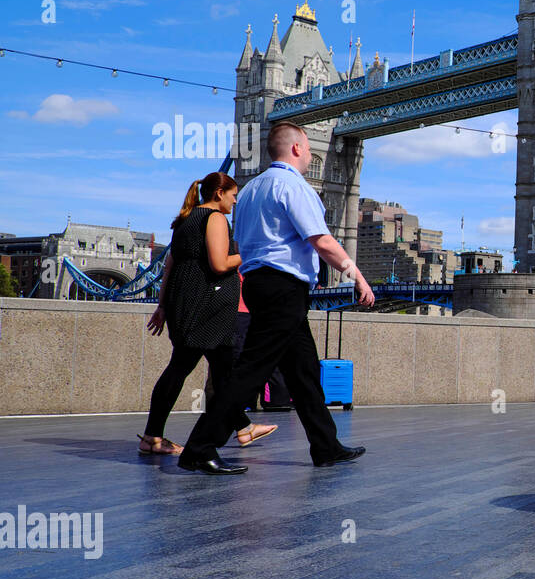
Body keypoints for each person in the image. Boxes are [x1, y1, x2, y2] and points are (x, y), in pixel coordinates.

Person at [178, 123, 376, 474]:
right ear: (297, 148)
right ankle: (199, 447)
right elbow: (322, 241)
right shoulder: (294, 187)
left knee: (304, 371)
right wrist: (357, 277)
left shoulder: (251, 190)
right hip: (283, 286)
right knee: (252, 371)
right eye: (310, 149)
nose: (313, 155)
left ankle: (326, 446)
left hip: (258, 283)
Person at [139, 173, 277, 455]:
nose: (235, 200)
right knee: (186, 369)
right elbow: (219, 264)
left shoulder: (184, 221)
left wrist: (163, 306)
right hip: (207, 306)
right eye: (233, 194)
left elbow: (169, 269)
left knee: (219, 370)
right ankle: (154, 437)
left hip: (187, 302)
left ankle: (242, 427)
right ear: (219, 194)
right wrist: (253, 253)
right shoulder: (214, 219)